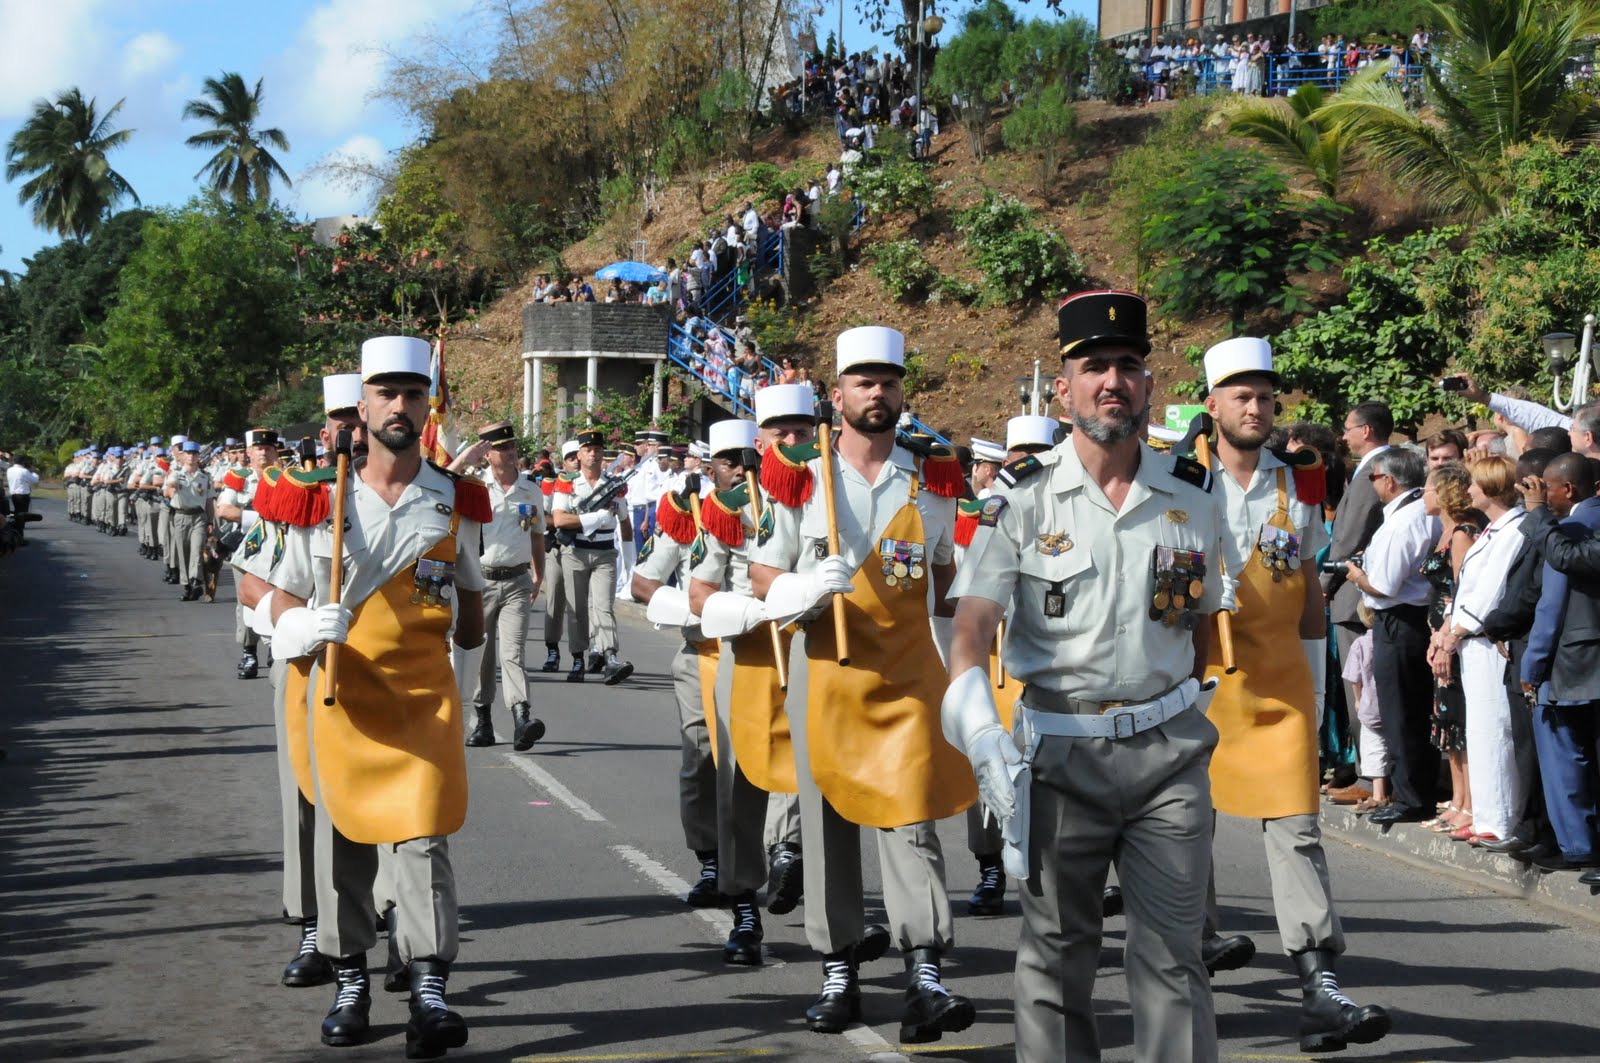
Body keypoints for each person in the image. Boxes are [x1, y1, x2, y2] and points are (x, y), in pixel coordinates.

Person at [945, 290, 1225, 1063]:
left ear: (1149, 383)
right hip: (1060, 755)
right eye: (1093, 366)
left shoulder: (1194, 497)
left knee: (1174, 959)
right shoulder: (1022, 497)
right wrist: (977, 732)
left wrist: (1171, 707)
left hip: (1169, 756)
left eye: (1128, 365)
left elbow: (1202, 630)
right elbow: (971, 626)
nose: (1113, 381)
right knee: (1056, 960)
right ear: (1061, 388)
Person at [262, 336, 489, 1056]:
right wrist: (297, 622)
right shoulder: (320, 496)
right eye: (385, 393)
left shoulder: (457, 499)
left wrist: (475, 660)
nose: (400, 405)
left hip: (423, 697)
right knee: (344, 844)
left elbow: (472, 598)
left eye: (412, 393)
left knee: (424, 839)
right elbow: (268, 591)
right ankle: (352, 977)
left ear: (427, 404)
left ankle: (428, 984)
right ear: (361, 407)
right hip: (340, 694)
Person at [750, 325, 977, 1044]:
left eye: (889, 381)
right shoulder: (799, 474)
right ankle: (840, 965)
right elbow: (760, 574)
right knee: (827, 826)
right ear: (837, 394)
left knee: (912, 819)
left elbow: (945, 587)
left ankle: (923, 970)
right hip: (827, 671)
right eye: (862, 382)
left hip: (909, 676)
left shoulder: (932, 477)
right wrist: (800, 586)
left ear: (902, 390)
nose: (876, 393)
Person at [1194, 338, 1390, 1053]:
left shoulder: (1299, 482)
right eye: (1240, 395)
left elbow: (1309, 591)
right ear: (1211, 404)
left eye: (1265, 396)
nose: (1255, 407)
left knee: (1298, 831)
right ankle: (1196, 943)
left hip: (1278, 685)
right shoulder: (1180, 478)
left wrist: (1314, 681)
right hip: (1197, 681)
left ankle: (1317, 980)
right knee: (1188, 827)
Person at [687, 391, 814, 952]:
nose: (793, 443)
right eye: (780, 433)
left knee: (803, 763)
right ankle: (743, 906)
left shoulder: (833, 495)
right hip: (749, 645)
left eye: (801, 431)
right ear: (761, 442)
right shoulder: (729, 507)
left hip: (812, 644)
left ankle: (789, 853)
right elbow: (699, 591)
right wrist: (733, 609)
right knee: (739, 778)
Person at [628, 457, 722, 917]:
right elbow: (643, 581)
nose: (731, 472)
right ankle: (711, 860)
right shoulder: (692, 516)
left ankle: (782, 853)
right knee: (701, 760)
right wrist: (686, 610)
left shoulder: (782, 511)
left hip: (768, 655)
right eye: (721, 464)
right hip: (702, 652)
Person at [1433, 456, 1530, 846]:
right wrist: (1447, 631)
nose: (1468, 490)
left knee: (1495, 731)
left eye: (1474, 483)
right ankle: (1487, 814)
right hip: (1469, 643)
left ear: (1490, 487)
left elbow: (1490, 592)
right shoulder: (1493, 530)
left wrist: (1455, 632)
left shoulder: (1514, 530)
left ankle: (1502, 819)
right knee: (1480, 730)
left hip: (1487, 643)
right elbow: (1465, 588)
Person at [1343, 447, 1441, 824]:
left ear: (1390, 480)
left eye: (1373, 477)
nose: (1373, 485)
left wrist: (1355, 575)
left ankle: (1412, 797)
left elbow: (1383, 585)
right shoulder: (1409, 514)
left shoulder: (1407, 519)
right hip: (1403, 619)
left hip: (1401, 620)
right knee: (1406, 710)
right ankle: (1411, 792)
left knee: (1402, 712)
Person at [1518, 454, 1600, 884]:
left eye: (1546, 487)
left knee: (1573, 757)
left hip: (1578, 664)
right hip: (1584, 665)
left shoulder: (1573, 527)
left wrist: (1532, 664)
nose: (1540, 494)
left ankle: (1583, 848)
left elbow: (1551, 607)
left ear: (1568, 489)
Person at [1323, 402, 1393, 787]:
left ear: (1366, 431)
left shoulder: (1371, 472)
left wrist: (1324, 585)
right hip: (1361, 593)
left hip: (1355, 596)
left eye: (1348, 428)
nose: (1344, 435)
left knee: (1363, 693)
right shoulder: (1377, 468)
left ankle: (1372, 779)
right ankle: (1374, 776)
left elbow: (1348, 537)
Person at [467, 421, 547, 751]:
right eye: (503, 448)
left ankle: (521, 717)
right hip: (481, 581)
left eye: (512, 446)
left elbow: (537, 534)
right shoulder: (475, 487)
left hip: (516, 580)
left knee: (513, 652)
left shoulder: (530, 490)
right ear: (488, 454)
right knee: (482, 655)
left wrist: (538, 574)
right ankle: (482, 719)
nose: (511, 452)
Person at [1417, 462, 1482, 834]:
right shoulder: (1443, 532)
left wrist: (1444, 639)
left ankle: (1470, 805)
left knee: (1458, 720)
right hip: (1438, 636)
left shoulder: (1461, 533)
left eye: (1427, 488)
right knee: (1447, 722)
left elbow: (1461, 591)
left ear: (1443, 493)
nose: (1423, 495)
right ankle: (1458, 800)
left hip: (1453, 639)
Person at [550, 429, 634, 684]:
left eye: (597, 450)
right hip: (575, 551)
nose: (593, 454)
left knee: (603, 607)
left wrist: (630, 562)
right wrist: (593, 518)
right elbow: (559, 519)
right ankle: (578, 658)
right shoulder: (567, 481)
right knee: (576, 609)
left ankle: (610, 656)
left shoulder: (613, 484)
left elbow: (625, 522)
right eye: (588, 450)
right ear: (579, 454)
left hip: (605, 552)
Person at [540, 440, 580, 673]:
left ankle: (584, 652)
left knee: (583, 603)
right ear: (564, 463)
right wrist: (560, 524)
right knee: (555, 600)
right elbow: (543, 516)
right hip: (557, 546)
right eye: (571, 457)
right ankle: (552, 649)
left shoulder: (594, 483)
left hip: (584, 548)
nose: (576, 460)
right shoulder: (552, 485)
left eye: (578, 456)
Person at [164, 441, 215, 602]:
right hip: (181, 516)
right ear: (183, 456)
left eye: (194, 454)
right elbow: (169, 486)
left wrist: (210, 521)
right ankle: (187, 586)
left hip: (199, 516)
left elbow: (208, 501)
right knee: (183, 552)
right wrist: (172, 489)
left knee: (197, 548)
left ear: (198, 456)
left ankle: (196, 579)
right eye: (188, 453)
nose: (191, 457)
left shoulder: (205, 476)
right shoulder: (176, 473)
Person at [7, 455, 38, 525]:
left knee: (17, 511)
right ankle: (20, 528)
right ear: (23, 462)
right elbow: (35, 480)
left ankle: (16, 527)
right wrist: (32, 471)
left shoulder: (9, 470)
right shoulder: (24, 471)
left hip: (14, 494)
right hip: (23, 495)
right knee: (23, 514)